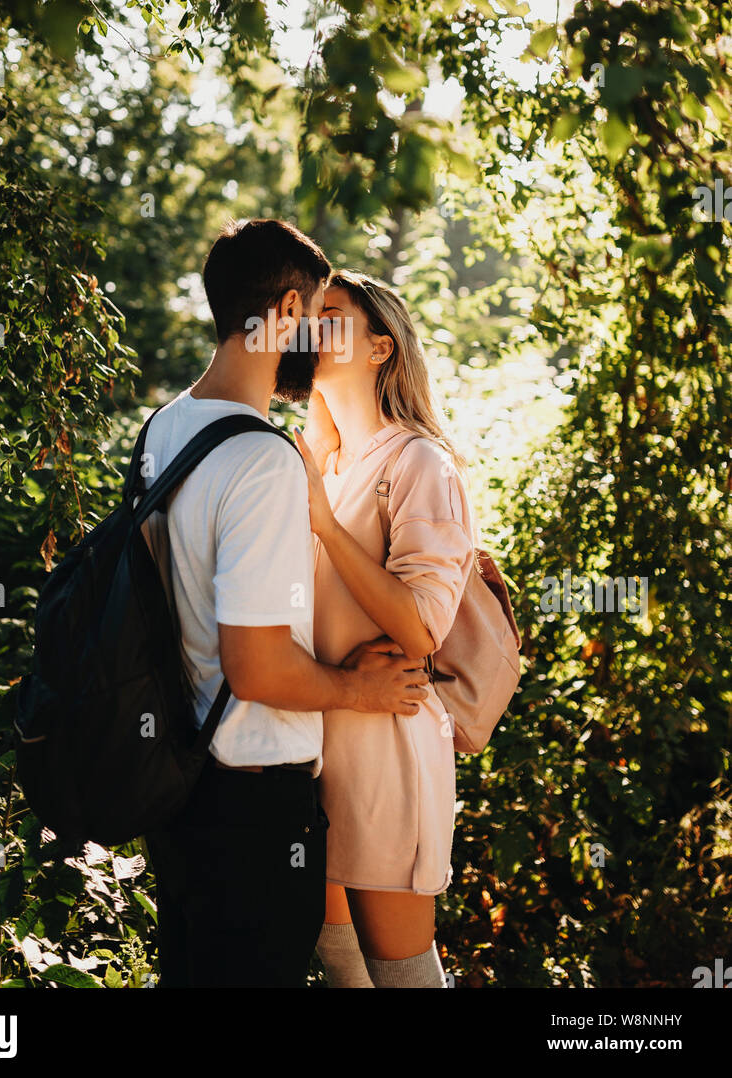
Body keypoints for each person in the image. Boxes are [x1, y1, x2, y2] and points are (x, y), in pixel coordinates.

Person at [142, 221, 430, 989]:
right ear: (291, 310)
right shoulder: (262, 460)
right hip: (253, 792)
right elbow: (259, 666)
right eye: (319, 316)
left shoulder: (165, 429)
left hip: (177, 776)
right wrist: (361, 689)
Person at [293, 269, 476, 988]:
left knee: (400, 974)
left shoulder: (418, 461)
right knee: (341, 968)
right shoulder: (324, 462)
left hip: (387, 749)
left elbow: (424, 627)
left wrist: (325, 526)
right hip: (312, 740)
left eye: (331, 315)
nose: (310, 328)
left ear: (381, 348)